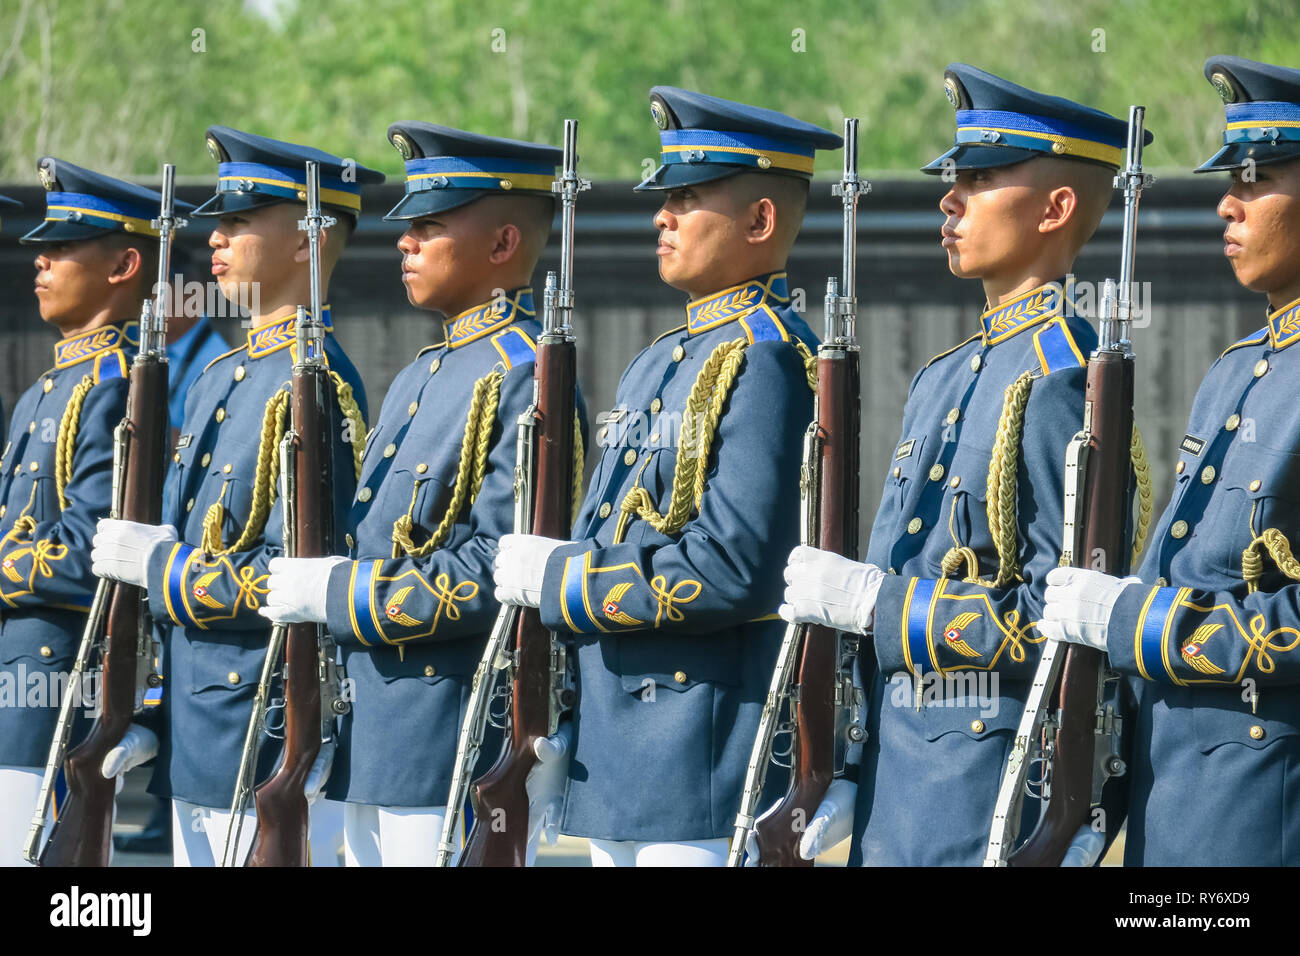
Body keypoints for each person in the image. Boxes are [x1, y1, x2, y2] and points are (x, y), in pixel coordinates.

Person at [778, 64, 1148, 865]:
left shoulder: (1063, 379)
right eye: (953, 179)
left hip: (984, 786)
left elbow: (1062, 620)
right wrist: (845, 763)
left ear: (1056, 207)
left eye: (979, 180)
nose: (950, 200)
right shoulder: (946, 374)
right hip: (896, 786)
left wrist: (882, 606)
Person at [492, 87, 838, 866]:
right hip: (617, 753)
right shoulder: (663, 359)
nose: (662, 216)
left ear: (759, 221)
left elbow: (732, 569)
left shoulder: (769, 359)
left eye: (687, 198)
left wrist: (563, 580)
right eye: (665, 198)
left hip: (701, 757)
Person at [259, 121, 586, 866]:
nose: (403, 242)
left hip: (449, 734)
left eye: (428, 227)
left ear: (503, 245)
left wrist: (339, 592)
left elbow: (499, 571)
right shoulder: (424, 372)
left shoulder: (524, 372)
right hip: (371, 732)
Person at [90, 126, 380, 866]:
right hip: (197, 724)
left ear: (306, 241)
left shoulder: (314, 378)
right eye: (217, 223)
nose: (215, 240)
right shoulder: (224, 373)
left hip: (262, 725)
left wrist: (161, 569)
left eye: (239, 222)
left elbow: (293, 575)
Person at [1042, 55, 1300, 866]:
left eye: (1256, 181)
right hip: (1173, 813)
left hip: (1262, 820)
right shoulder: (1238, 369)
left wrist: (1128, 620)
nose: (1228, 203)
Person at [0, 161, 193, 865]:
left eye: (63, 247)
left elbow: (91, 548)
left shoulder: (115, 386)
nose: (41, 259)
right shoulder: (51, 384)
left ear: (126, 264)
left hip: (51, 677)